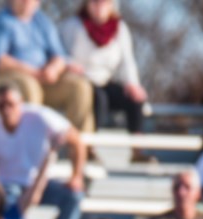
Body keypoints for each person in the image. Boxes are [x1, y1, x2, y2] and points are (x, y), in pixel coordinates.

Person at [0, 82, 87, 219]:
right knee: (16, 207)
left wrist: (76, 176)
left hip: (41, 183)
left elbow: (76, 140)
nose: (6, 110)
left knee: (73, 197)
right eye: (1, 105)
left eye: (10, 104)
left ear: (21, 103)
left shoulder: (40, 117)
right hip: (9, 187)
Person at [0, 0, 96, 133]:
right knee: (29, 87)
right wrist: (35, 73)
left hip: (43, 80)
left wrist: (53, 69)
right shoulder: (1, 22)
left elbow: (59, 56)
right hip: (9, 79)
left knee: (79, 87)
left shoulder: (42, 22)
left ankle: (79, 145)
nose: (27, 2)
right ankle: (34, 143)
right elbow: (0, 61)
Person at [59, 0, 146, 138]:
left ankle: (137, 148)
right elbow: (60, 53)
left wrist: (133, 84)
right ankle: (90, 146)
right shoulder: (73, 25)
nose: (99, 6)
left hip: (105, 80)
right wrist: (69, 64)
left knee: (135, 100)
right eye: (95, 2)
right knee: (99, 99)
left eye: (104, 2)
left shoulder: (120, 28)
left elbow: (127, 61)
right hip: (82, 80)